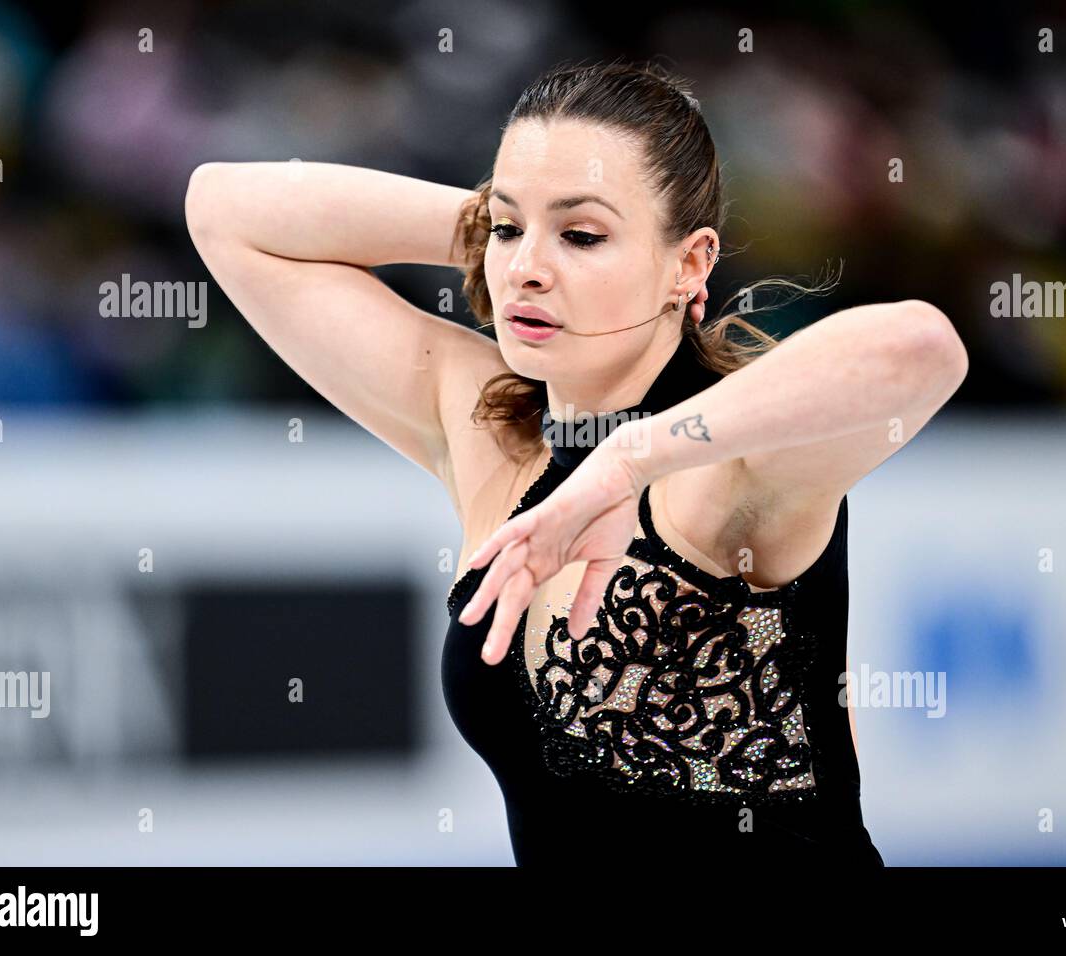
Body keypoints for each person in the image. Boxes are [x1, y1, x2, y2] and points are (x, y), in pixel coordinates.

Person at [185, 58, 967, 866]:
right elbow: (223, 208)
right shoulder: (493, 429)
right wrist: (511, 220)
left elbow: (923, 348)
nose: (527, 268)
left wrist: (629, 458)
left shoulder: (732, 464)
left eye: (584, 235)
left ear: (690, 264)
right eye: (509, 230)